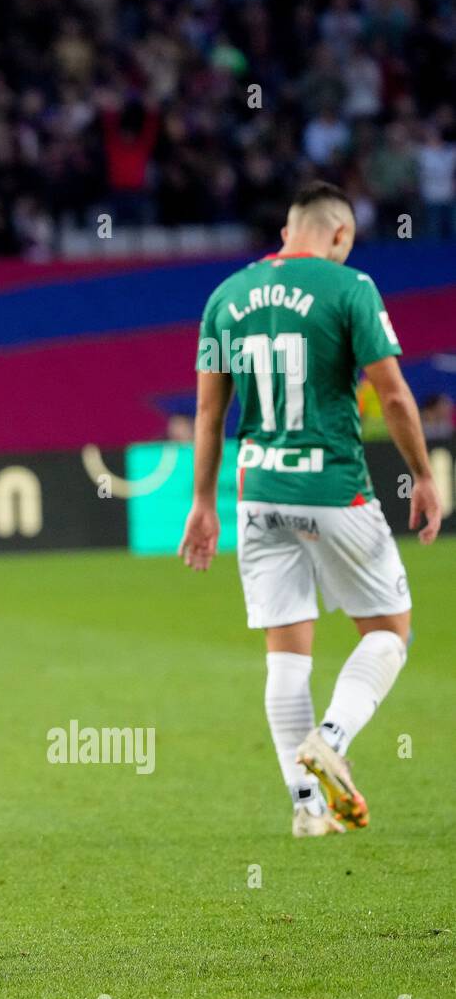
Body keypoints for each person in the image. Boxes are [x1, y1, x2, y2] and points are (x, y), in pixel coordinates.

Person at [179, 182, 442, 839]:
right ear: (339, 236)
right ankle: (330, 738)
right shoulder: (350, 287)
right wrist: (425, 476)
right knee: (390, 632)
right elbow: (398, 397)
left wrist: (203, 503)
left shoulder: (226, 297)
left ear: (285, 232)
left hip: (258, 492)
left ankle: (307, 808)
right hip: (333, 488)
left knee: (286, 658)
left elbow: (210, 414)